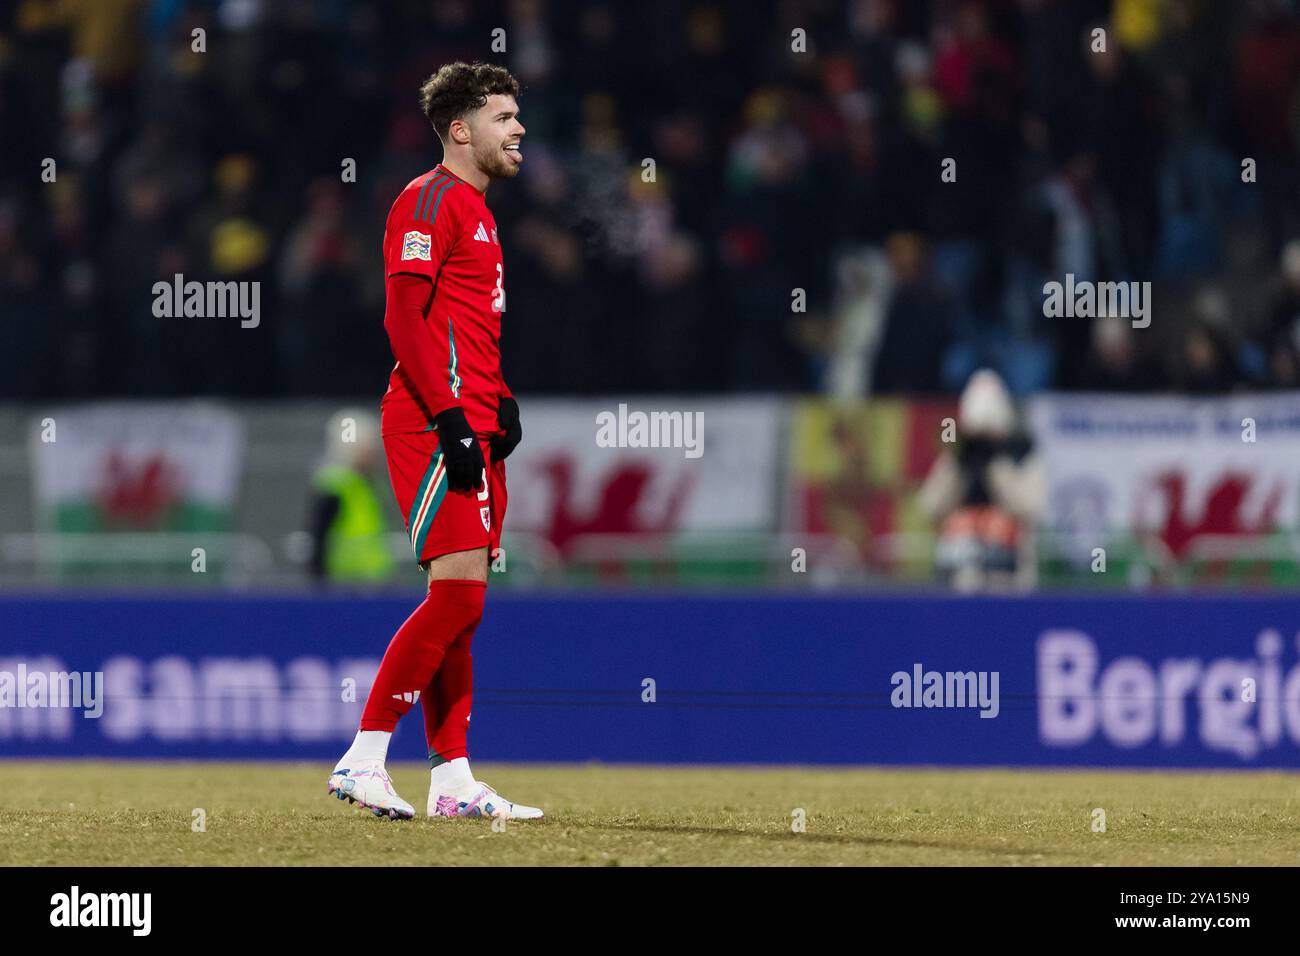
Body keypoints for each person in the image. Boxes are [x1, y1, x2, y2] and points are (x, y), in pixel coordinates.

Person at [327, 62, 541, 821]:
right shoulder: (428, 200)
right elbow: (404, 321)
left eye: (518, 116)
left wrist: (499, 399)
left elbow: (465, 328)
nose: (519, 129)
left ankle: (452, 781)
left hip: (475, 419)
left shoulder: (481, 214)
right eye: (503, 117)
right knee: (452, 596)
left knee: (466, 606)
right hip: (430, 420)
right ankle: (363, 756)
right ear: (460, 129)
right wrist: (451, 418)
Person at [918, 369, 1045, 591]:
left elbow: (1033, 508)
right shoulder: (960, 458)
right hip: (960, 570)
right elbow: (929, 506)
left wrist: (996, 466)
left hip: (1009, 569)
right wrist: (957, 464)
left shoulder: (1023, 455)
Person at [307, 409, 394, 584]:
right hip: (345, 580)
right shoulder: (336, 485)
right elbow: (319, 534)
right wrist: (318, 579)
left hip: (371, 579)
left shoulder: (366, 482)